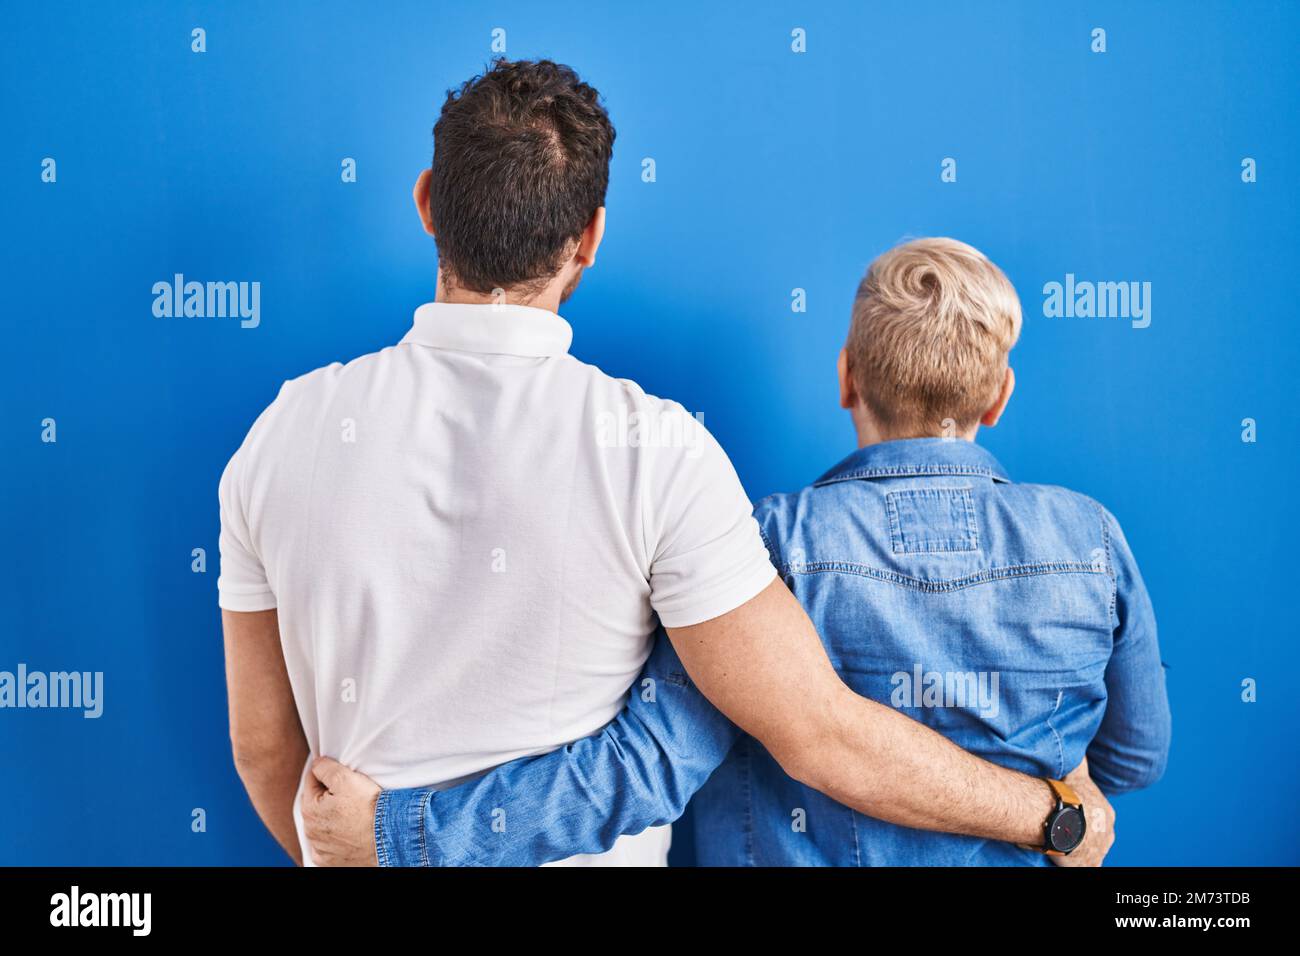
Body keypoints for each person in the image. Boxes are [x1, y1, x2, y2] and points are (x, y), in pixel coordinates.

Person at [220, 59, 1115, 868]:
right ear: (591, 238)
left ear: (426, 203)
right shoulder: (657, 452)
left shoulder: (283, 431)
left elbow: (265, 749)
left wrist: (358, 852)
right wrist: (1050, 816)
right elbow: (816, 731)